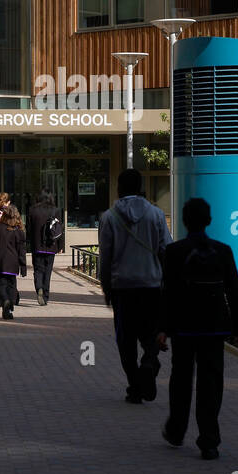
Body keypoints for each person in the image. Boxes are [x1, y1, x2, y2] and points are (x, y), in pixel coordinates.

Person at [159, 198, 238, 460]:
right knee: (211, 383)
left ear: (184, 221)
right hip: (214, 329)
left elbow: (167, 294)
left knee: (181, 379)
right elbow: (235, 291)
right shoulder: (223, 251)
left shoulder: (174, 252)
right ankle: (209, 440)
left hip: (184, 328)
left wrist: (162, 328)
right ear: (209, 220)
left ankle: (176, 429)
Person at [98, 168, 172, 404]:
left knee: (125, 339)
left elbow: (106, 257)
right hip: (151, 286)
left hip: (122, 288)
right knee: (150, 334)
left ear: (119, 188)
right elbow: (166, 250)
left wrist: (106, 288)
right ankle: (149, 362)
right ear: (141, 187)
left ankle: (134, 385)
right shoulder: (157, 215)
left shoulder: (109, 217)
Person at [25, 190, 64, 306]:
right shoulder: (55, 210)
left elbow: (28, 228)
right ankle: (45, 295)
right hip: (51, 245)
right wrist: (60, 246)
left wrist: (29, 242)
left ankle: (39, 289)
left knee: (38, 269)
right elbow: (59, 229)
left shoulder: (32, 210)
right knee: (48, 271)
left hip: (37, 245)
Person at [0, 203, 27, 321]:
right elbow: (22, 251)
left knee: (0, 286)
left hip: (0, 262)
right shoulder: (19, 231)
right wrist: (23, 266)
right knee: (11, 286)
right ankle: (9, 310)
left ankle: (5, 300)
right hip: (13, 264)